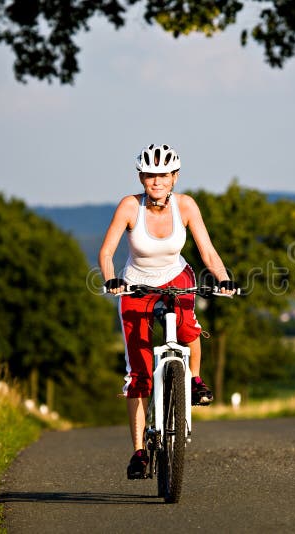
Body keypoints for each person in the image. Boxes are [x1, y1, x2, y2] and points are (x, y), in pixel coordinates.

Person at [98, 143, 237, 480]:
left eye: (163, 175)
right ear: (141, 177)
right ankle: (139, 452)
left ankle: (193, 379)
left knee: (188, 329)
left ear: (174, 177)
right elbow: (106, 252)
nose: (156, 181)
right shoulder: (130, 207)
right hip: (136, 286)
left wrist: (224, 279)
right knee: (139, 373)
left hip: (177, 277)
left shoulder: (186, 206)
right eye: (149, 175)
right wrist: (111, 279)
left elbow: (206, 249)